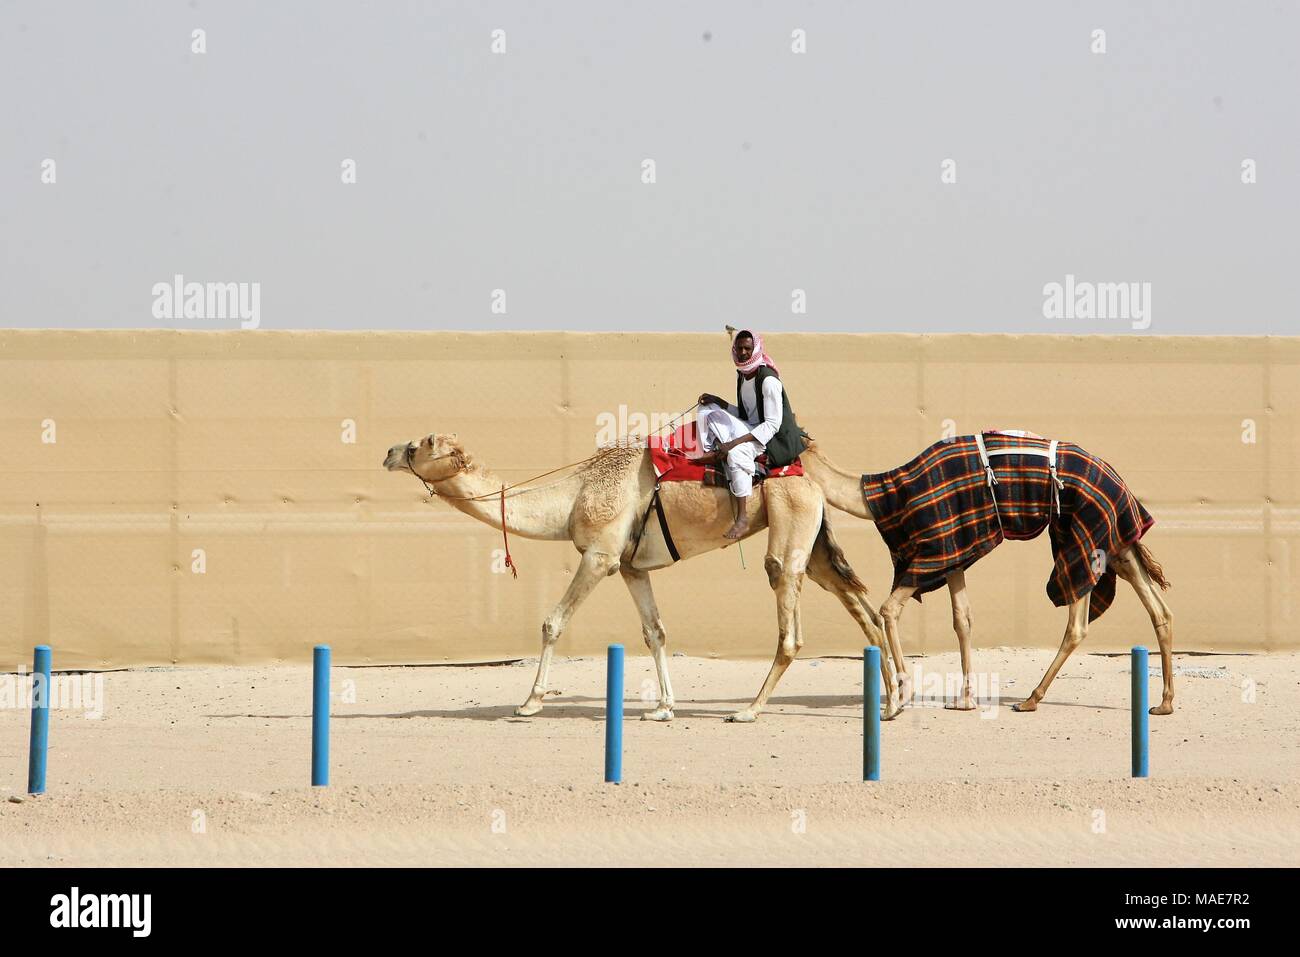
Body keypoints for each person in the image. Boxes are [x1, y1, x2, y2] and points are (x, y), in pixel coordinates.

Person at [695, 330, 807, 540]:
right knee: (707, 407)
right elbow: (746, 414)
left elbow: (771, 425)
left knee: (736, 455)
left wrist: (733, 444)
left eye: (748, 348)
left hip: (771, 439)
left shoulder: (768, 381)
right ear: (734, 350)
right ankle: (710, 451)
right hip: (750, 427)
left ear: (755, 348)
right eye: (740, 349)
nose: (744, 353)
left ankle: (742, 518)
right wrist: (721, 402)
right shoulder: (743, 375)